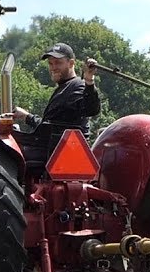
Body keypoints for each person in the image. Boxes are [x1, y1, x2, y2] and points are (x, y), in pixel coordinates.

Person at [12, 42, 101, 176]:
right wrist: (27, 117)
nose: (53, 67)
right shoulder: (63, 89)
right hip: (52, 149)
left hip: (62, 153)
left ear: (71, 63)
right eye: (50, 63)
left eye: (58, 63)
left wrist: (89, 80)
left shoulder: (78, 86)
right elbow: (50, 128)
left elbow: (91, 110)